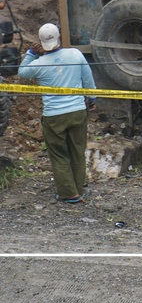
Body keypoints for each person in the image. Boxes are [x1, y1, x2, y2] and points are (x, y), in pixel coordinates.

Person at [18, 23, 97, 204]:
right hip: (77, 111)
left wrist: (31, 53)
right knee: (77, 151)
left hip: (54, 116)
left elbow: (22, 72)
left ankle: (69, 194)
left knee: (59, 154)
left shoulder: (39, 64)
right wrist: (91, 99)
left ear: (41, 42)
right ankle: (79, 189)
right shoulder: (76, 54)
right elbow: (88, 78)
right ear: (59, 36)